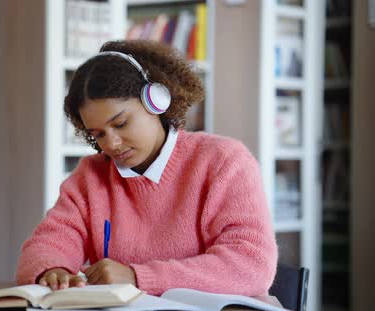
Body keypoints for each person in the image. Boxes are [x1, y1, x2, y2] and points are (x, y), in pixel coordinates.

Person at [16, 40, 278, 297]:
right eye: (98, 134)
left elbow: (251, 265)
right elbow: (48, 243)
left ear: (157, 101)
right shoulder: (90, 175)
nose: (112, 144)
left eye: (120, 124)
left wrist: (137, 277)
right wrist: (52, 270)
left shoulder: (223, 161)